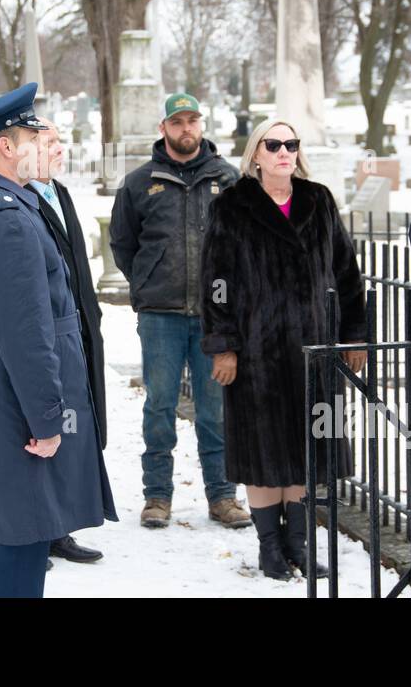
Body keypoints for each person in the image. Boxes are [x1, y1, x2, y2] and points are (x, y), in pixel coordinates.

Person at [0, 83, 116, 598]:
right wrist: (48, 419)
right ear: (8, 147)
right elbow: (26, 335)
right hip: (11, 399)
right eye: (32, 136)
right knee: (19, 535)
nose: (42, 146)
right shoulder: (8, 219)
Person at [199, 118, 366, 579]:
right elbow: (215, 282)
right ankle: (270, 546)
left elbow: (346, 274)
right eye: (273, 145)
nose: (283, 152)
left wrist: (353, 335)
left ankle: (298, 543)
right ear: (255, 154)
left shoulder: (319, 200)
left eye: (291, 144)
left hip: (313, 350)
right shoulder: (233, 207)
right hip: (257, 353)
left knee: (305, 449)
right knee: (262, 450)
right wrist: (223, 346)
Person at [108, 92, 249, 530]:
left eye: (192, 121)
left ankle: (223, 496)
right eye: (177, 122)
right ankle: (157, 496)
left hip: (215, 317)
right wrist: (148, 282)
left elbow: (244, 244)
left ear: (201, 125)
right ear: (163, 128)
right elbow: (123, 244)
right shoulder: (139, 182)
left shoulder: (228, 180)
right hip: (161, 315)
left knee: (215, 411)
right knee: (160, 407)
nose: (186, 129)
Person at [26, 121, 105, 565]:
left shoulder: (58, 191)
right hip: (48, 332)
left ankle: (61, 524)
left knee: (74, 427)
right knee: (48, 426)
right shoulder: (20, 200)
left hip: (76, 327)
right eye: (48, 143)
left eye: (59, 142)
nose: (59, 149)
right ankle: (42, 528)